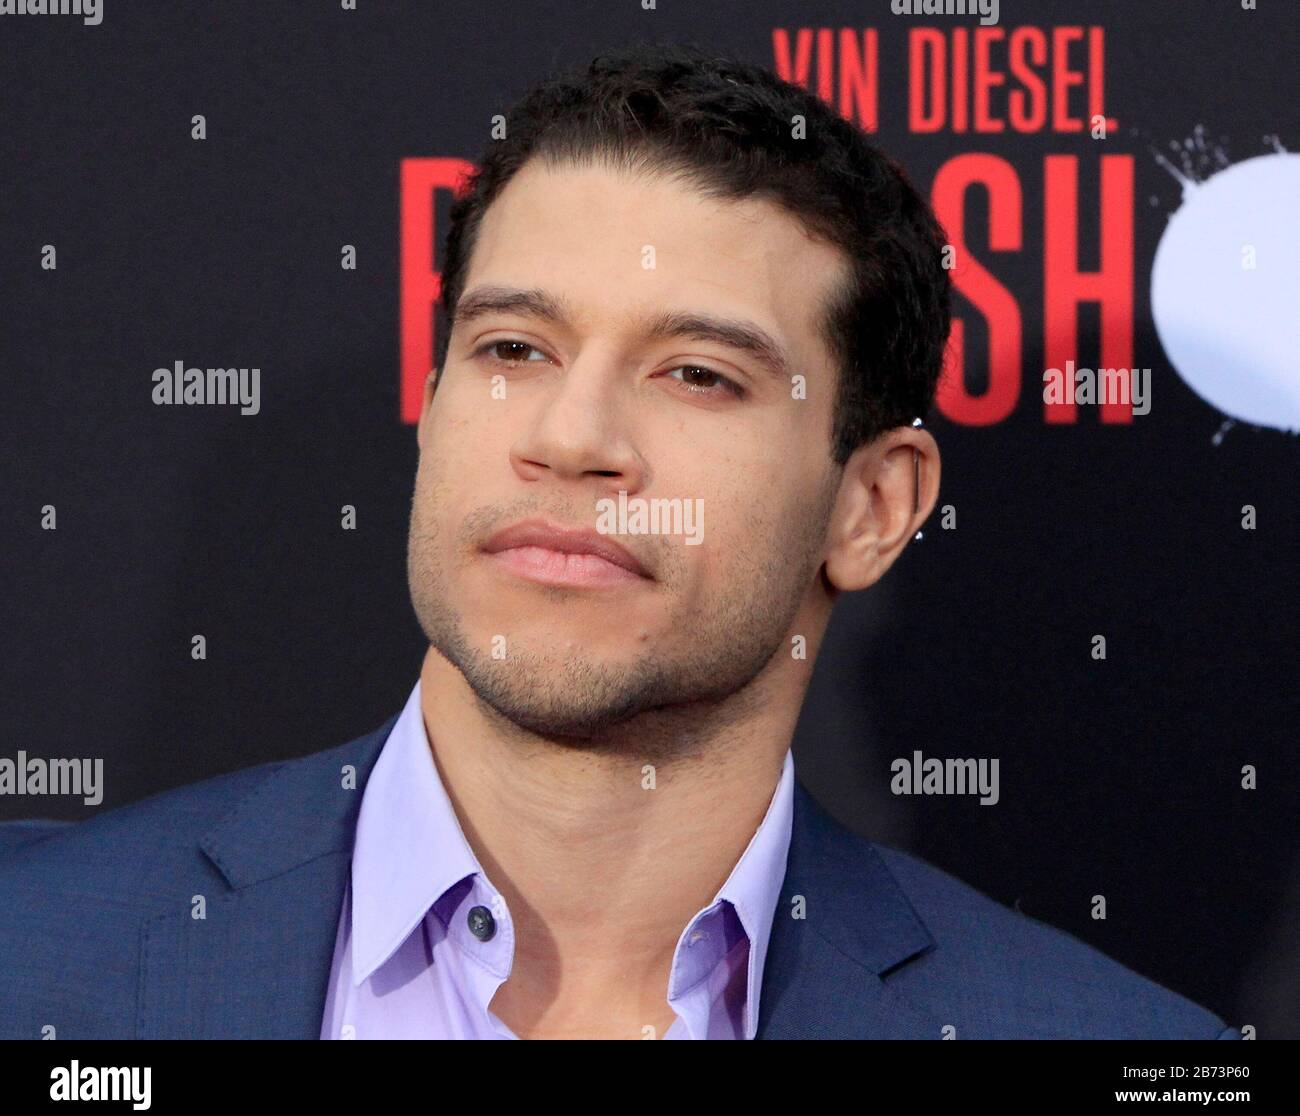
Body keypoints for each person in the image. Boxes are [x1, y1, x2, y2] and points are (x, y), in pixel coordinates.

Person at [0, 42, 1237, 1040]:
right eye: (512, 349)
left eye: (696, 373)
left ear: (871, 506)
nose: (572, 434)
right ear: (432, 409)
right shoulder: (30, 952)